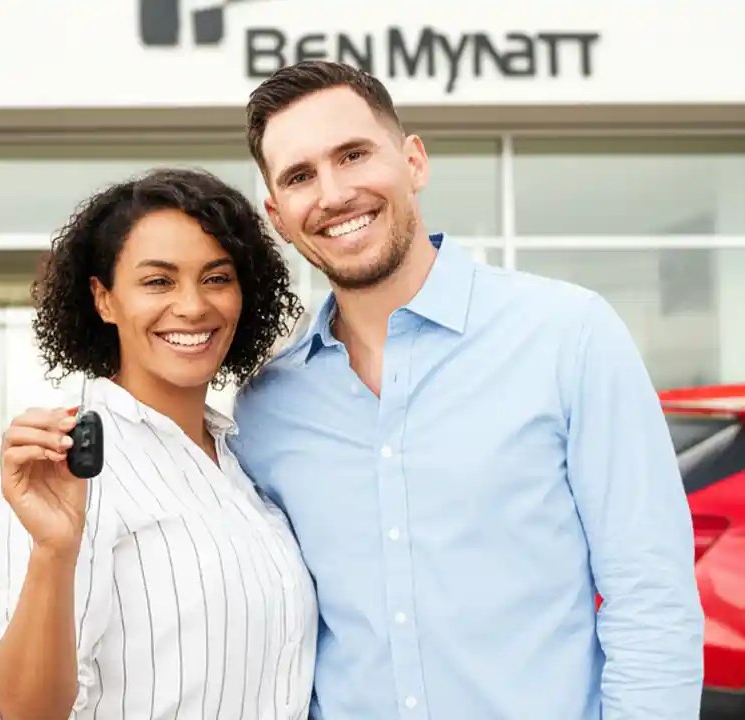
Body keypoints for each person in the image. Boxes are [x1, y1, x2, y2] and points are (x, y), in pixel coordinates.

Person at [228, 60, 706, 719]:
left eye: (354, 154)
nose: (334, 193)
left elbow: (650, 597)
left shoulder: (567, 336)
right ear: (279, 216)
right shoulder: (267, 409)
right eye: (301, 176)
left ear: (413, 161)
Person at [0, 167, 317, 720]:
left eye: (216, 278)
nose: (192, 307)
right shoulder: (66, 464)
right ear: (104, 299)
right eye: (158, 281)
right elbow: (26, 713)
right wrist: (54, 551)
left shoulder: (240, 457)